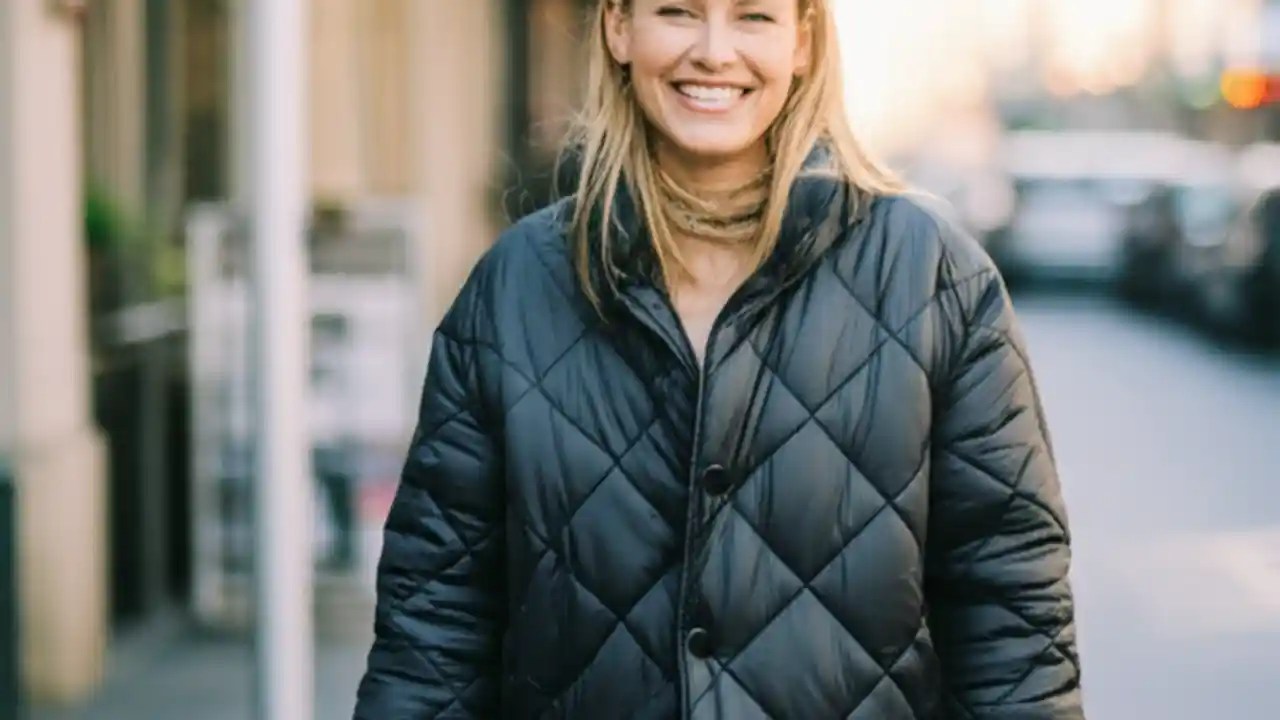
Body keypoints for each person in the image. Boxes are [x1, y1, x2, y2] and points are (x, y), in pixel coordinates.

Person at [354, 0, 1084, 717]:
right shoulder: (514, 288)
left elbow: (1012, 619)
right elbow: (433, 630)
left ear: (802, 40)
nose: (713, 49)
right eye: (676, 10)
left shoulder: (931, 278)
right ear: (618, 26)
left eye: (753, 16)